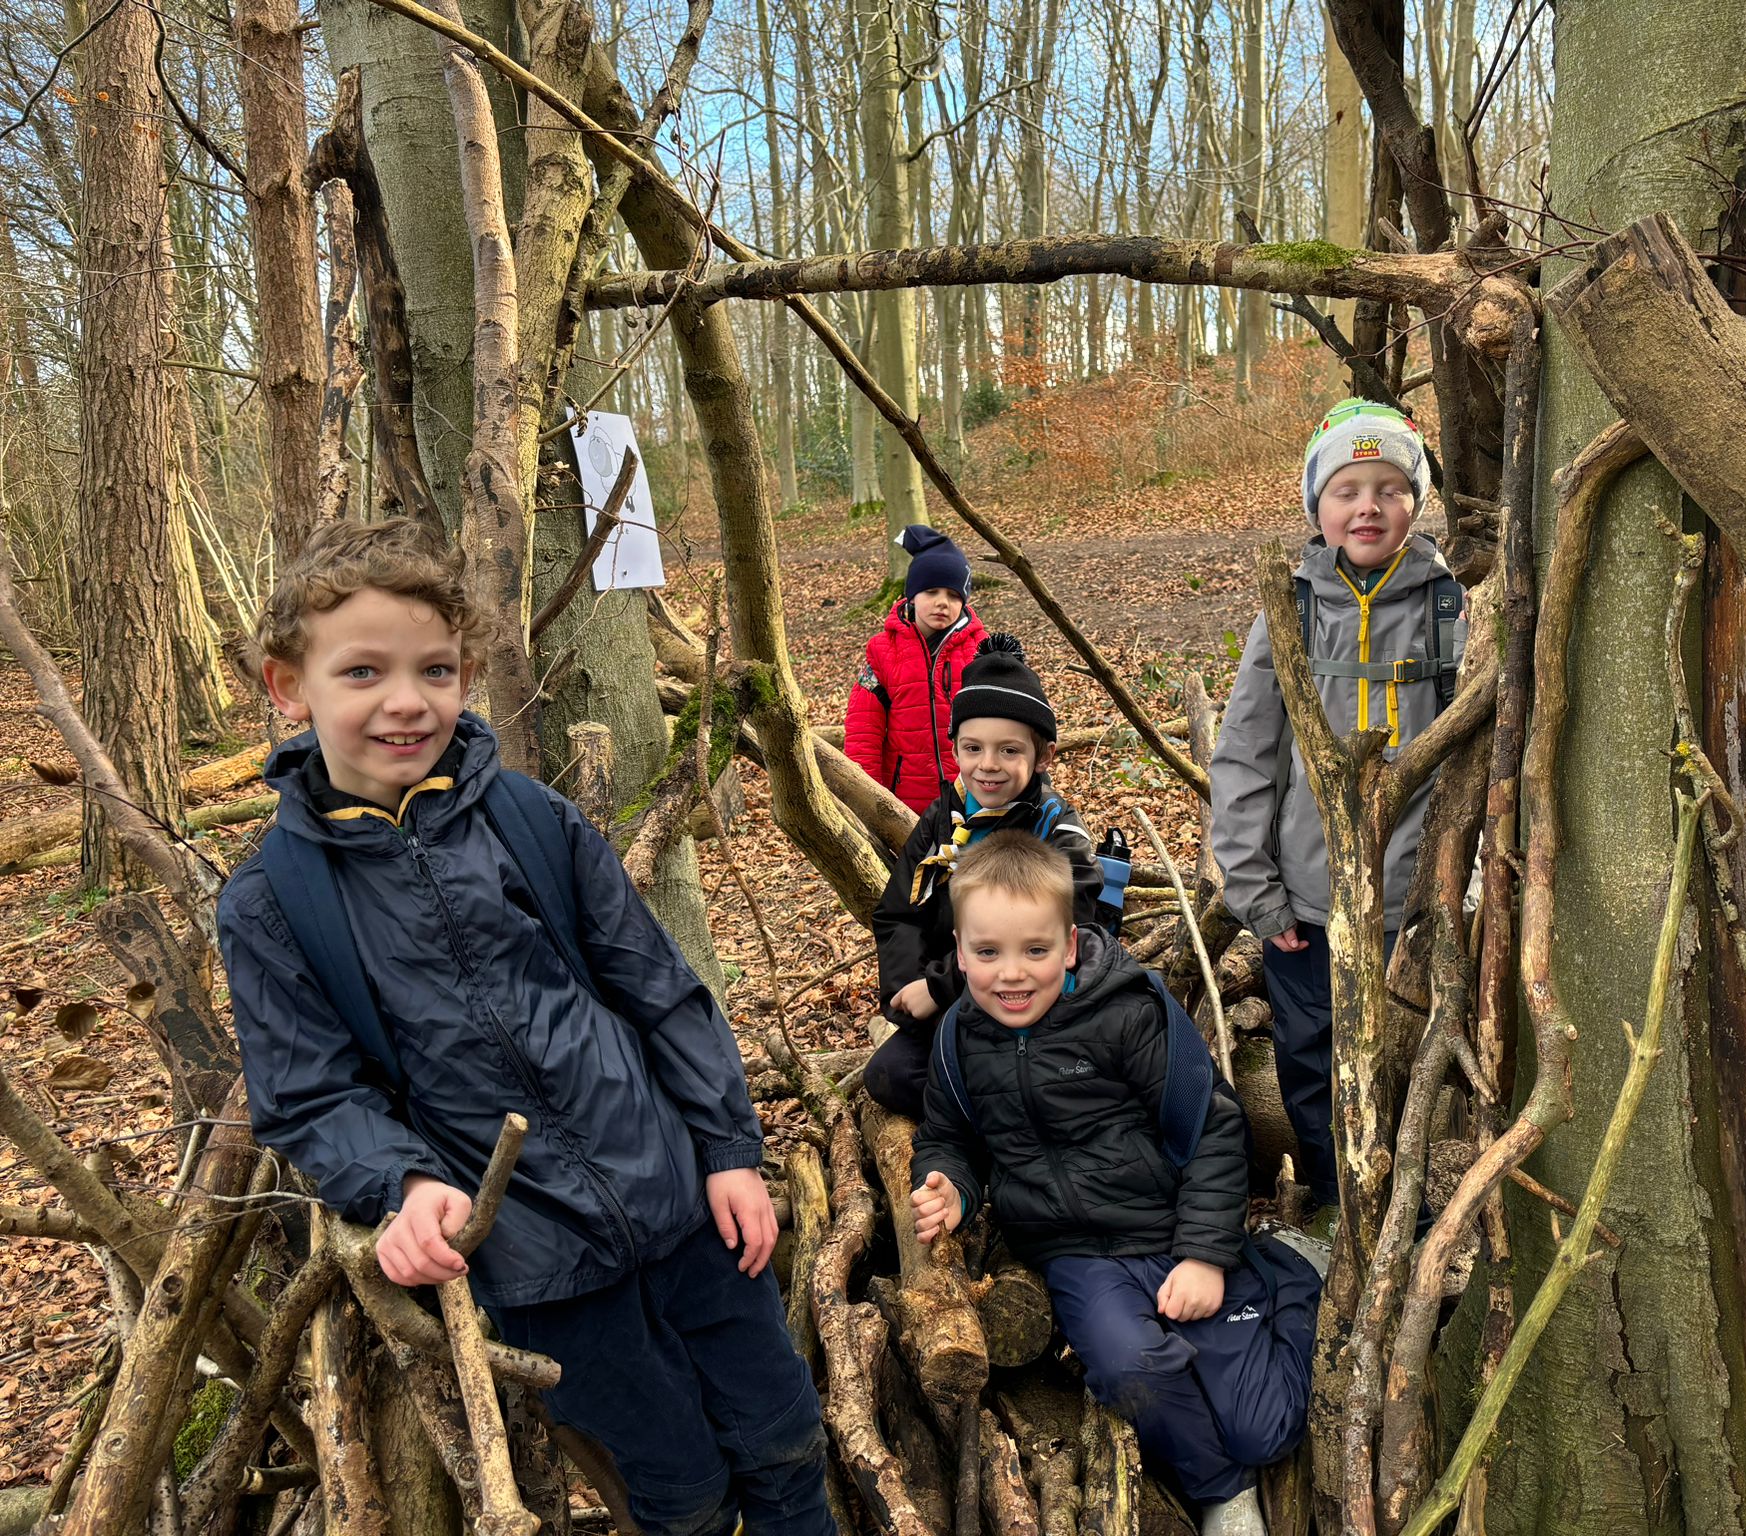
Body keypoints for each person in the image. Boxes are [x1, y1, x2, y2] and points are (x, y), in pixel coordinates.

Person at [217, 519, 830, 1536]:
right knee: (674, 1488)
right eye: (362, 671)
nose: (406, 701)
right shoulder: (275, 901)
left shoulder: (529, 819)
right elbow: (311, 1092)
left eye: (437, 668)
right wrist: (402, 1185)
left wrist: (725, 1148)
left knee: (785, 1439)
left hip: (680, 1203)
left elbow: (657, 988)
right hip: (539, 1264)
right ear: (290, 687)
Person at [909, 833, 1319, 1536]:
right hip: (1078, 1257)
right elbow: (951, 1137)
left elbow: (1214, 1127)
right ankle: (1222, 1490)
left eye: (1034, 951)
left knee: (1265, 1431)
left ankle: (1291, 1271)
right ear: (959, 949)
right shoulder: (958, 1040)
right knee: (1129, 1367)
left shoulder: (1127, 1011)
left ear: (1069, 947)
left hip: (1172, 1225)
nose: (1011, 974)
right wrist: (948, 1184)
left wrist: (1203, 1256)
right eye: (987, 953)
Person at [1210, 399, 1466, 1243]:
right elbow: (1245, 754)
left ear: (1416, 500)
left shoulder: (1450, 607)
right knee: (1313, 1059)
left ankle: (1406, 1198)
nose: (1368, 507)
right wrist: (1257, 892)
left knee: (1399, 1057)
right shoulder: (1291, 611)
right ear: (1317, 506)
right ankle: (1332, 1194)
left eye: (1389, 488)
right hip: (1307, 907)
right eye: (1347, 489)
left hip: (1415, 902)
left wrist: (1450, 892)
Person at [864, 633, 1102, 1116]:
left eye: (1009, 751)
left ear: (1044, 756)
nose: (987, 766)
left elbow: (1068, 931)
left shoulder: (1056, 829)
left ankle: (1003, 1132)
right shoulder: (941, 819)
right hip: (949, 1003)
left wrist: (939, 987)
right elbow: (897, 913)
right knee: (889, 1076)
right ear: (955, 746)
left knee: (1038, 1076)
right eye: (972, 748)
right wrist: (910, 991)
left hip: (1028, 1002)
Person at [844, 525, 989, 810]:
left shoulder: (981, 650)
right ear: (912, 596)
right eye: (931, 591)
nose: (942, 603)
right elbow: (864, 732)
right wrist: (868, 801)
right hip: (904, 803)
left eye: (953, 595)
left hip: (973, 799)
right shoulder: (884, 654)